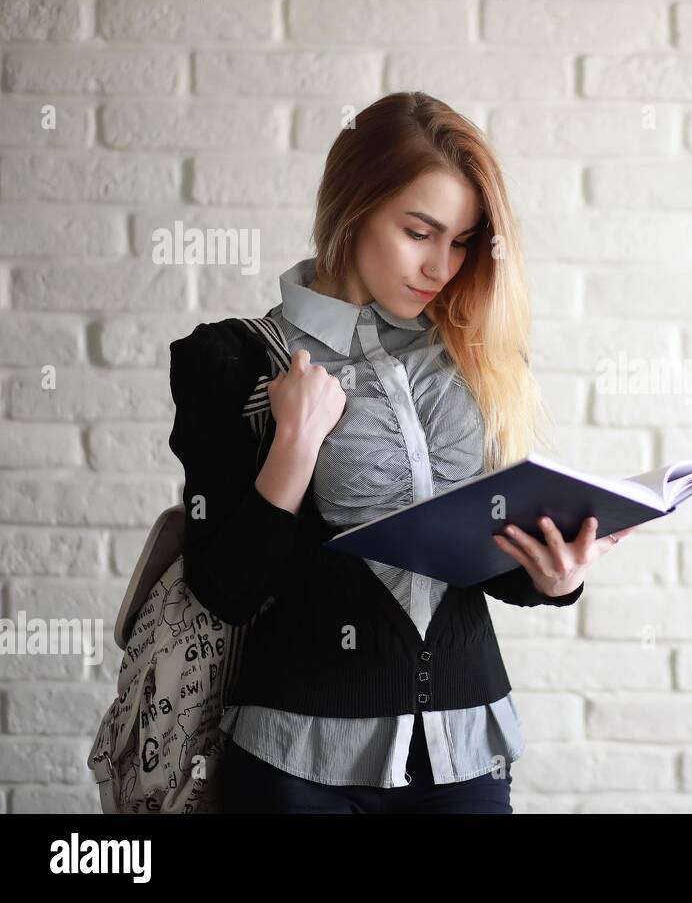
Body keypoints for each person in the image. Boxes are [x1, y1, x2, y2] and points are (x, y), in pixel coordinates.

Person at [167, 91, 642, 813]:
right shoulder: (234, 360)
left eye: (461, 241)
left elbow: (475, 558)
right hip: (296, 765)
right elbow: (223, 590)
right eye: (420, 232)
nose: (441, 267)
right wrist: (294, 446)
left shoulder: (472, 355)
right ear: (353, 208)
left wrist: (553, 577)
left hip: (464, 752)